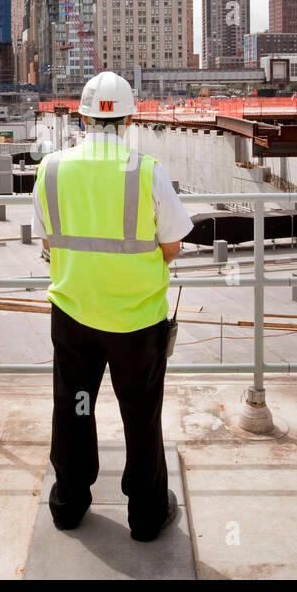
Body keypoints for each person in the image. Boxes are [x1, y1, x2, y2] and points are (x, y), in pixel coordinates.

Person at [32, 71, 193, 541]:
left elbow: (47, 239)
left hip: (74, 314)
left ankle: (68, 503)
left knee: (75, 407)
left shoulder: (52, 168)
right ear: (128, 119)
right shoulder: (146, 170)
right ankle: (145, 515)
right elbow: (172, 245)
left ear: (81, 116)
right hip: (136, 322)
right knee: (140, 417)